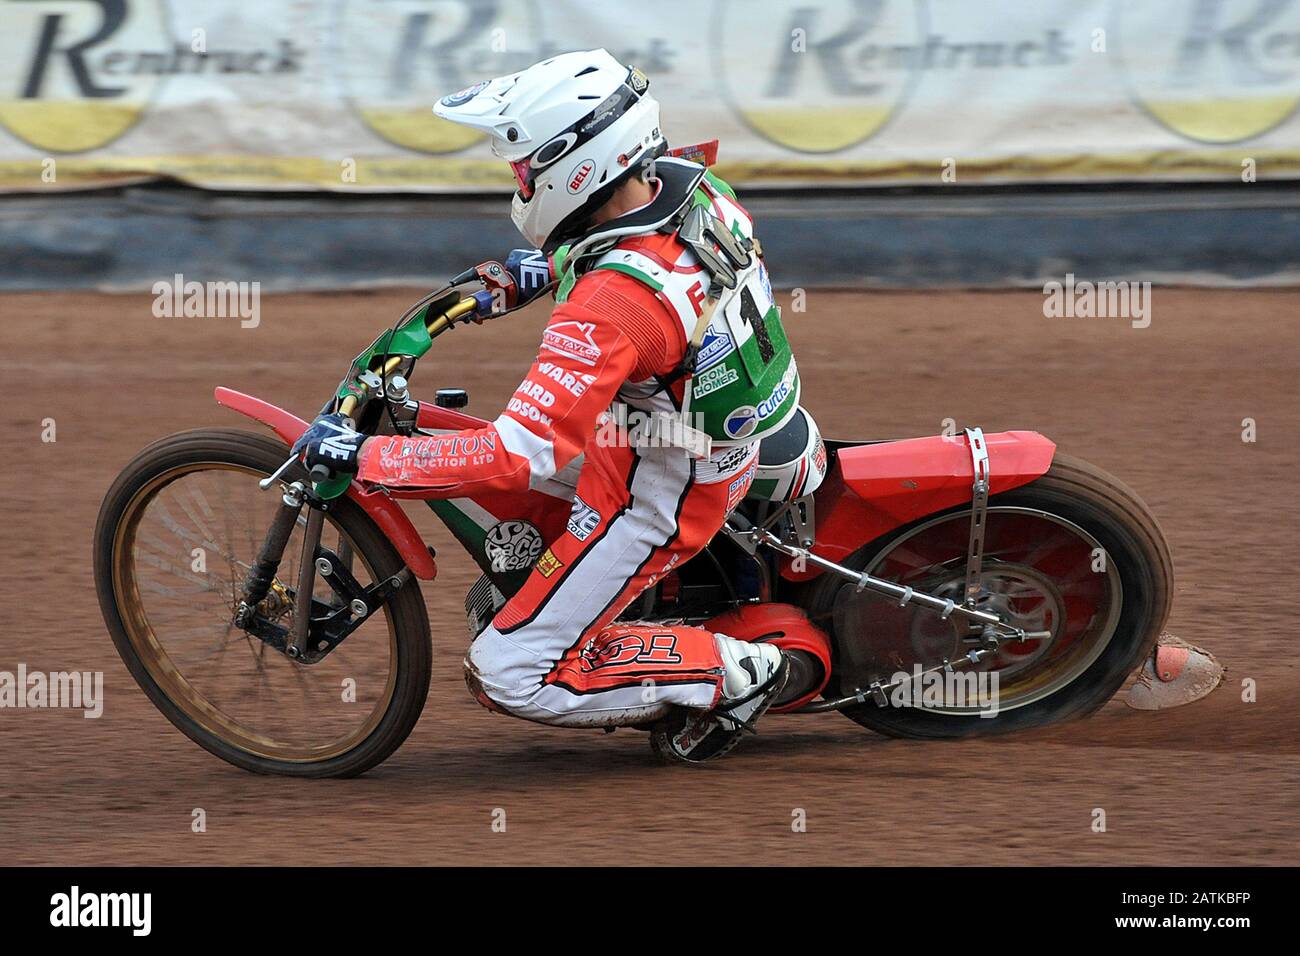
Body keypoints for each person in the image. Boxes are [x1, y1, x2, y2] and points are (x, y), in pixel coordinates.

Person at [294, 49, 807, 762]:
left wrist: (366, 455)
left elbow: (519, 449)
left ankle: (737, 672)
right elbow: (639, 243)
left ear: (578, 162)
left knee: (507, 673)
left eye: (526, 167)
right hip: (680, 423)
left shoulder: (610, 307)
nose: (520, 181)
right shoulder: (693, 186)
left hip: (664, 482)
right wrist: (550, 265)